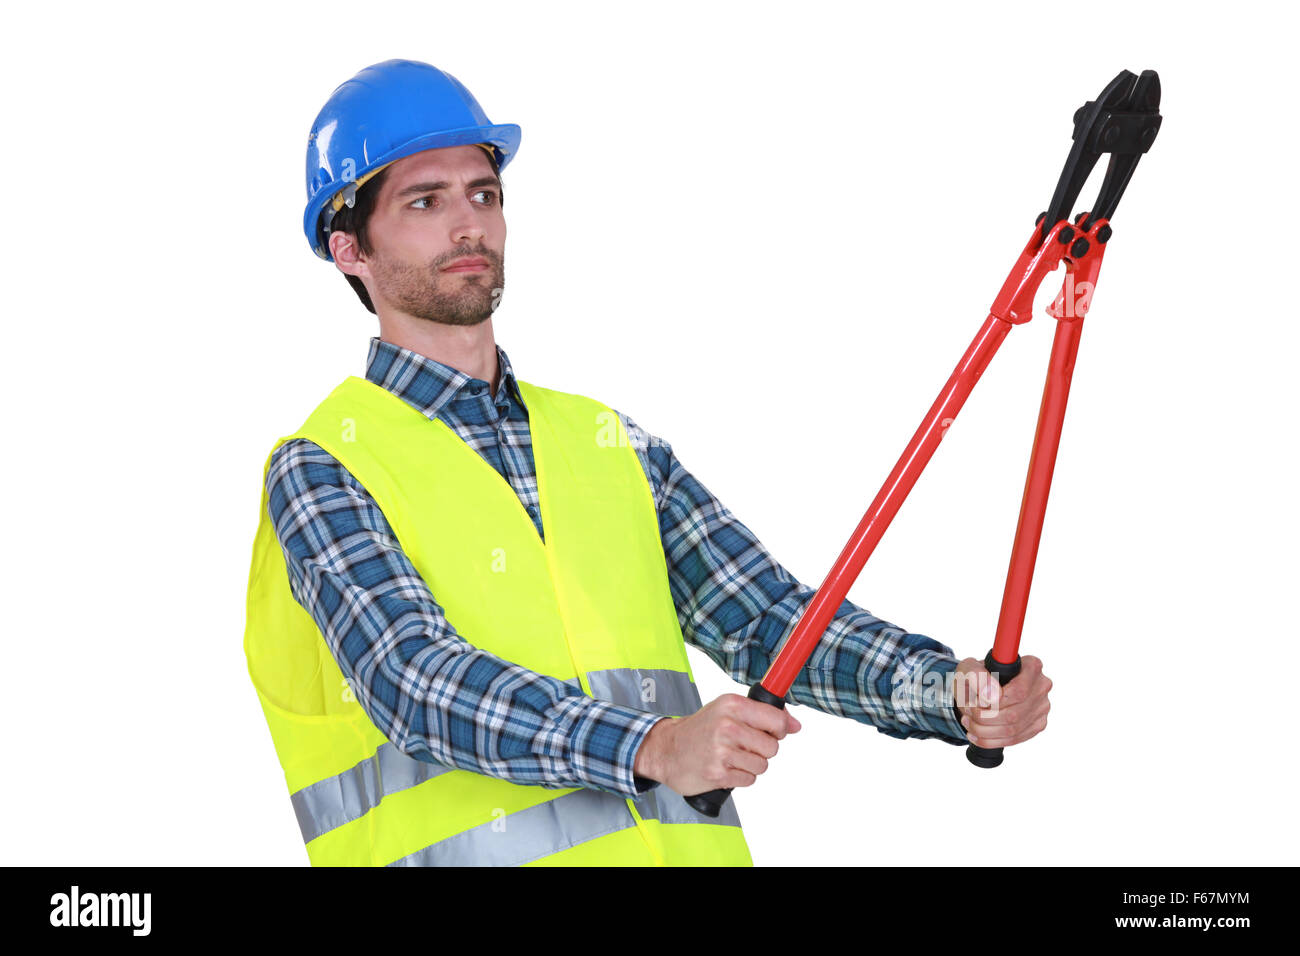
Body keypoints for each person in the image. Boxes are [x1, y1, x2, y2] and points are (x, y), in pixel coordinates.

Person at [243, 59, 1053, 867]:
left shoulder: (606, 442)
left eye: (483, 194)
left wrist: (945, 692)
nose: (470, 226)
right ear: (349, 246)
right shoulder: (322, 468)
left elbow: (767, 619)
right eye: (426, 201)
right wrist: (658, 746)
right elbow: (416, 683)